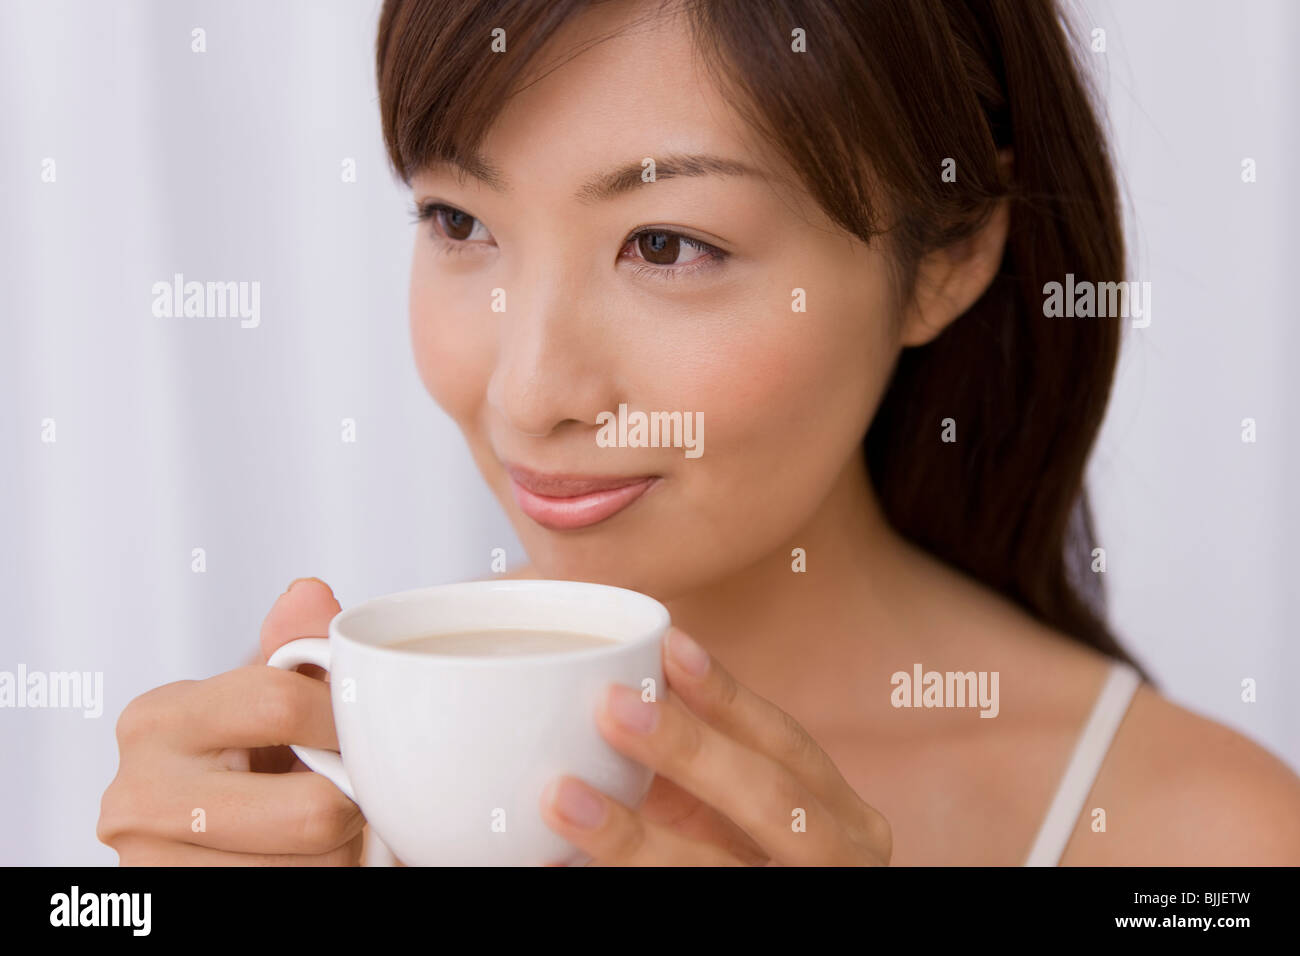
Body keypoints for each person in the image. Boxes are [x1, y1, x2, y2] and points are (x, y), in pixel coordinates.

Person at [98, 0, 1300, 865]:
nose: (529, 392)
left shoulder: (1207, 837)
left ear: (949, 253)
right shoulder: (322, 792)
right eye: (460, 220)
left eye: (666, 244)